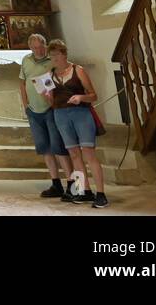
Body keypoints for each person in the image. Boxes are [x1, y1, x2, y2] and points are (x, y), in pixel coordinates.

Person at [45, 38, 108, 208]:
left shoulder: (77, 70)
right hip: (61, 115)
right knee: (73, 154)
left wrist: (81, 97)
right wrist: (49, 98)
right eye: (51, 56)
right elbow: (52, 103)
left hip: (81, 114)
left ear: (64, 54)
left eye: (57, 55)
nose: (54, 59)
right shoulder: (49, 76)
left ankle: (101, 193)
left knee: (88, 153)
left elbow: (93, 95)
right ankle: (83, 190)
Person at [18, 34, 71, 198]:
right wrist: (25, 104)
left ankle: (72, 183)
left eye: (40, 47)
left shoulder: (52, 60)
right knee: (45, 147)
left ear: (45, 45)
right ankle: (56, 183)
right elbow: (22, 82)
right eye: (34, 47)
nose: (38, 50)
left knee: (58, 147)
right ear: (30, 48)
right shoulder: (26, 60)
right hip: (33, 110)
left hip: (51, 109)